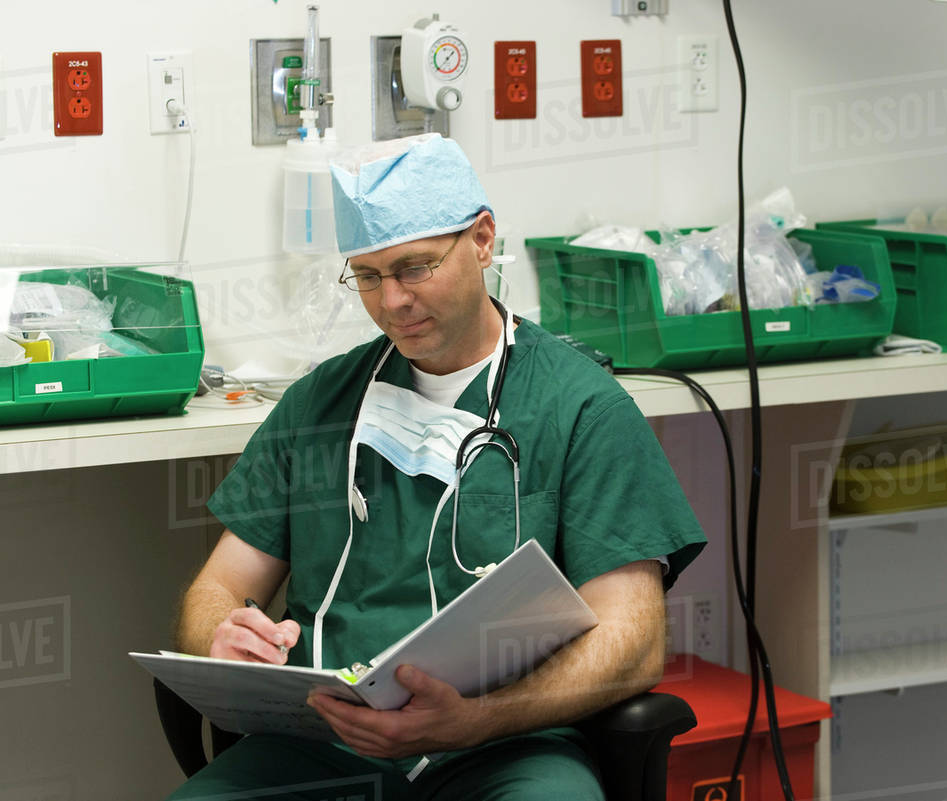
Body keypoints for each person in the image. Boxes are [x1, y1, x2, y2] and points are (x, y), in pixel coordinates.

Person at [168, 133, 706, 801]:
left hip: (504, 745)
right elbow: (215, 587)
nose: (392, 300)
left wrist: (477, 718)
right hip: (325, 745)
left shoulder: (581, 408)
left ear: (482, 240)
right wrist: (220, 634)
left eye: (414, 267)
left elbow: (634, 640)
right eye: (368, 275)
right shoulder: (319, 404)